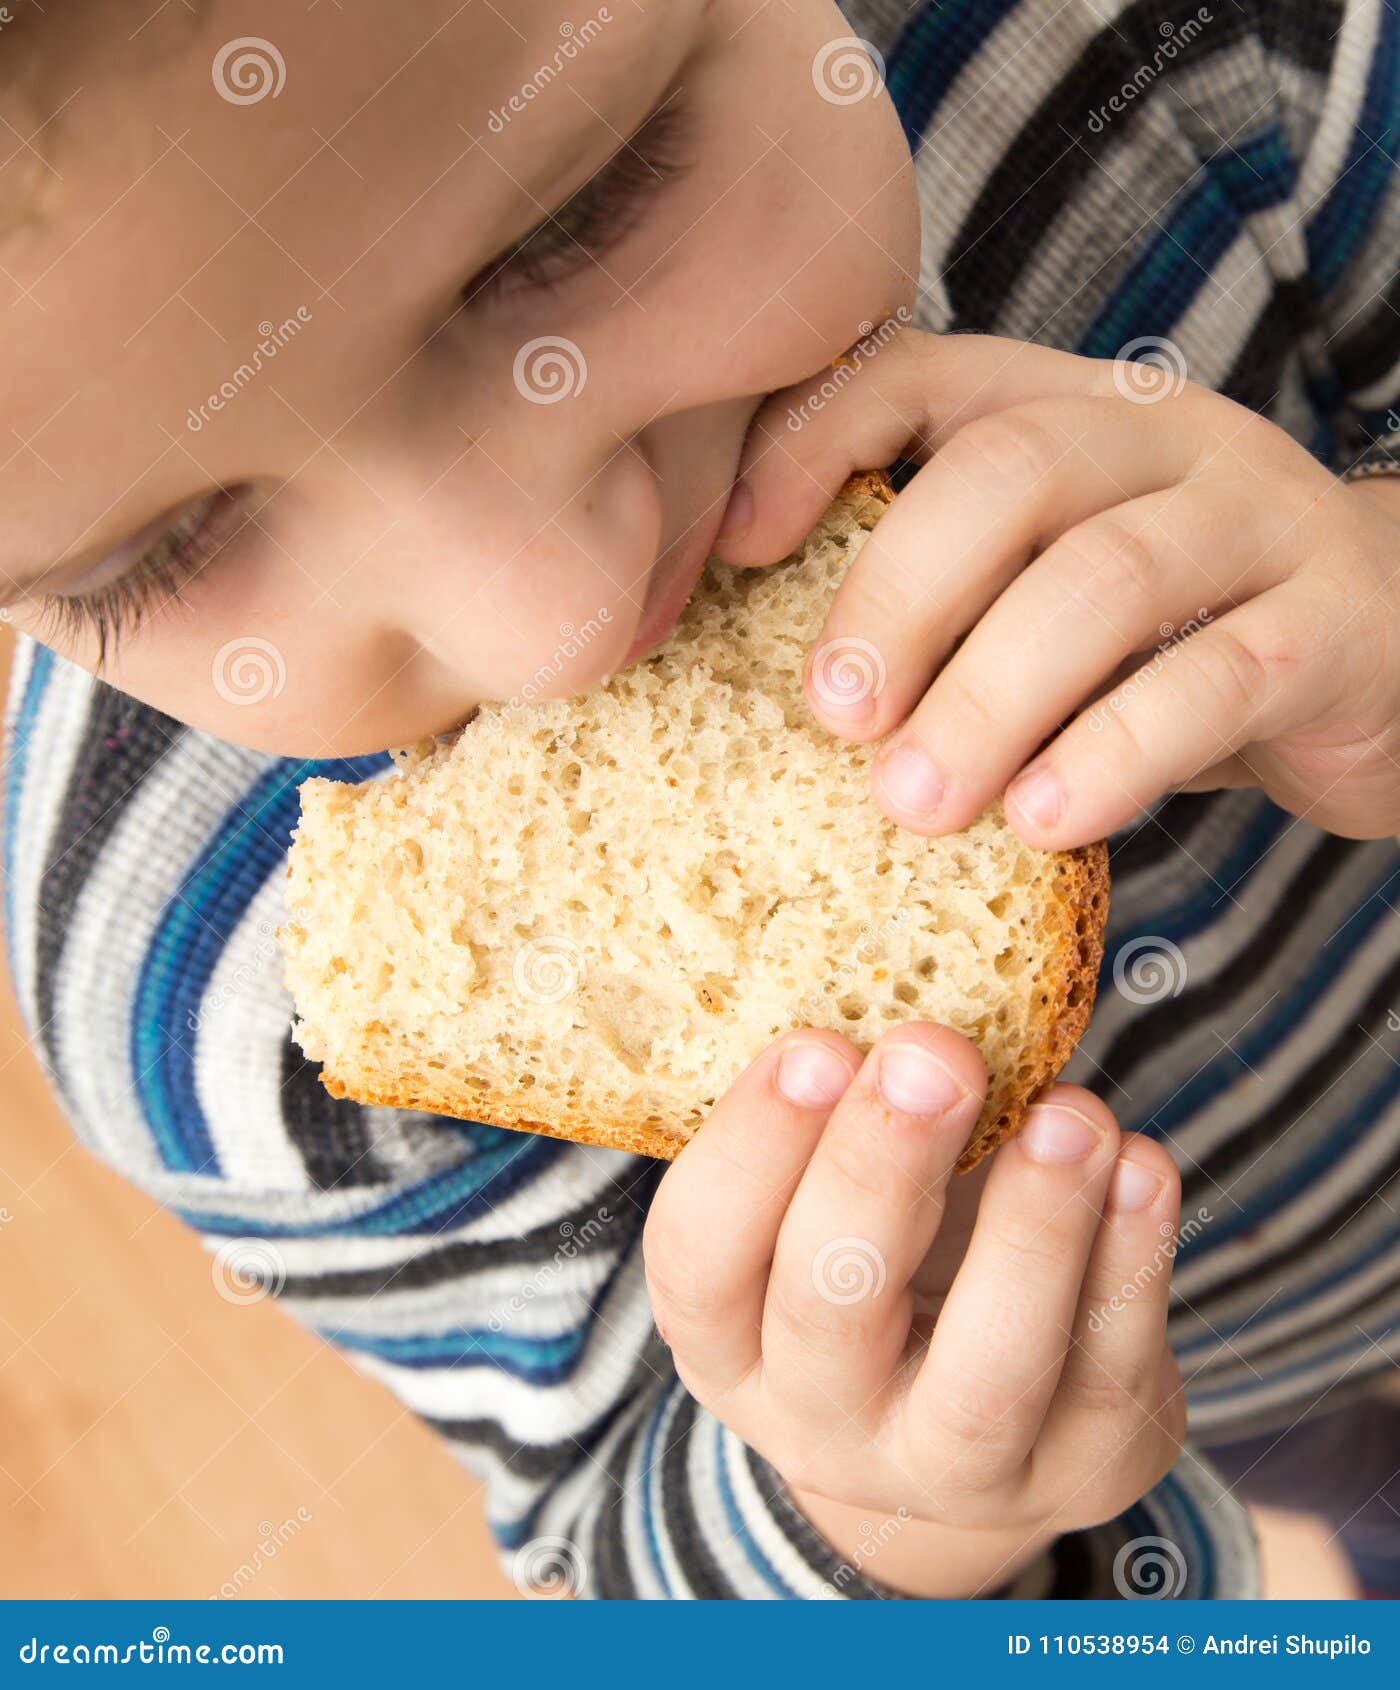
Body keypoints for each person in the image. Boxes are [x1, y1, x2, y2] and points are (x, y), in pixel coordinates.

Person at [4, 0, 1399, 1598]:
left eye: (579, 207)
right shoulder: (187, 993)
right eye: (156, 557)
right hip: (1243, 1379)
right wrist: (892, 1510)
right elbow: (616, 1540)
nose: (557, 616)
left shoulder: (1181, 53)